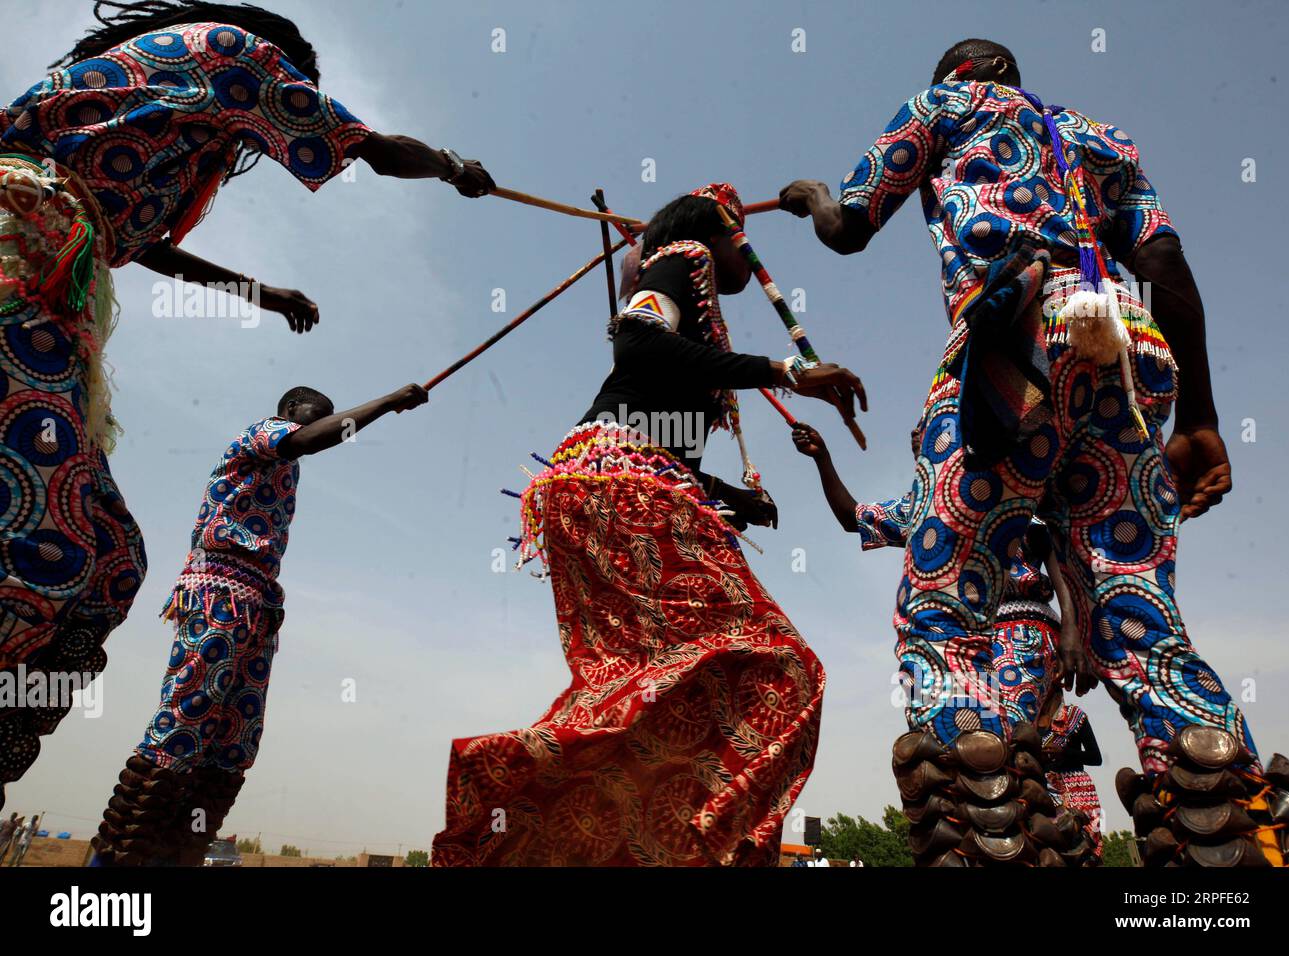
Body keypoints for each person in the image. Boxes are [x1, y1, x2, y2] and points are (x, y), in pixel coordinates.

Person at [779, 38, 1289, 867]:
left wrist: (809, 196)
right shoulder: (1100, 135)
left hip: (1013, 357)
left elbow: (849, 227)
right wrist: (1200, 415)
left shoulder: (940, 107)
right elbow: (1164, 262)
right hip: (1129, 354)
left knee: (945, 607)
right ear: (1015, 75)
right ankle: (1229, 824)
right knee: (1137, 612)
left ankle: (989, 825)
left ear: (957, 74)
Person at [0, 1, 495, 807]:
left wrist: (264, 294)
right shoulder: (241, 54)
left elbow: (151, 248)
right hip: (18, 248)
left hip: (49, 272)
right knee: (46, 540)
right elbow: (365, 146)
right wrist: (449, 165)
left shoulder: (145, 122)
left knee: (108, 561)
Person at [430, 184, 867, 867]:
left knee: (653, 686)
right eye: (738, 240)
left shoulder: (691, 294)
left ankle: (558, 834)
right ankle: (665, 833)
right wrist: (785, 370)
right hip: (620, 490)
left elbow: (654, 423)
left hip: (609, 486)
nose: (746, 258)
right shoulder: (683, 258)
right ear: (713, 232)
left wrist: (725, 494)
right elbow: (639, 344)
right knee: (781, 666)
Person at [89, 381, 429, 866]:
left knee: (235, 740)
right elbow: (310, 438)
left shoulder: (286, 468)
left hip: (260, 603)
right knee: (188, 715)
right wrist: (388, 403)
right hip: (220, 592)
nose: (320, 422)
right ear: (289, 409)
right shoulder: (263, 435)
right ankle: (116, 863)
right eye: (314, 413)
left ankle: (176, 854)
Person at [792, 421, 1097, 865]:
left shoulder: (1007, 487)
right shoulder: (922, 508)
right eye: (917, 438)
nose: (923, 441)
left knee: (1003, 746)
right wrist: (823, 458)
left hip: (1022, 630)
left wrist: (1075, 630)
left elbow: (1059, 562)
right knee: (959, 748)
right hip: (955, 639)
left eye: (932, 433)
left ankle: (1056, 843)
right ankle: (1039, 842)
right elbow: (851, 517)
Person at [1037, 692, 1104, 863]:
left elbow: (1096, 758)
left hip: (1077, 789)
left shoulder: (1074, 716)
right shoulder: (1031, 719)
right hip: (1044, 792)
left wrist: (1064, 752)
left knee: (1083, 847)